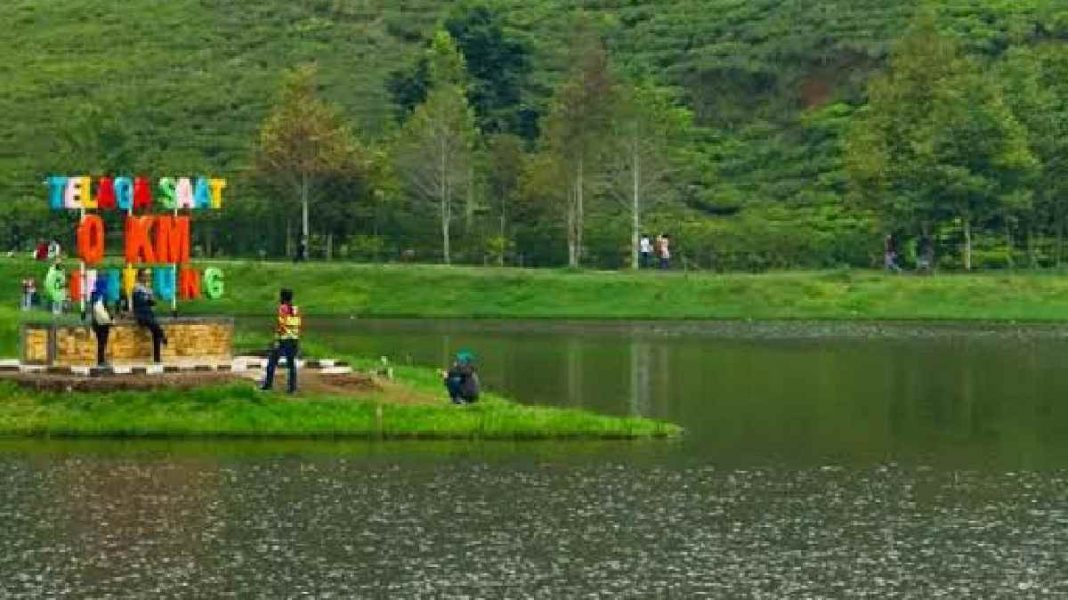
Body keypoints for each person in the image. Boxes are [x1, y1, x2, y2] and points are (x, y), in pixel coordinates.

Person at [261, 288, 302, 393]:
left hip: (284, 339)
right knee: (291, 364)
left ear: (282, 297)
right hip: (294, 339)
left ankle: (267, 386)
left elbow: (281, 325)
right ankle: (292, 388)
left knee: (272, 362)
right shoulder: (296, 309)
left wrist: (276, 339)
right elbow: (299, 324)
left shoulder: (283, 308)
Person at [132, 269, 168, 363]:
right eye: (145, 275)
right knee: (156, 328)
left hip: (149, 313)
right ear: (140, 277)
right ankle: (163, 336)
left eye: (148, 275)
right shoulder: (137, 288)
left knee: (156, 332)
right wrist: (149, 300)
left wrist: (150, 300)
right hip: (141, 314)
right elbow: (140, 302)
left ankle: (157, 358)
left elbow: (152, 302)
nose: (147, 277)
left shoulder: (148, 289)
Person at [89, 277, 112, 367]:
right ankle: (101, 361)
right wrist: (111, 317)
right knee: (103, 342)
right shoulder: (104, 295)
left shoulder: (93, 295)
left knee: (100, 342)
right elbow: (107, 308)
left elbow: (93, 310)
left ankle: (101, 360)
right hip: (103, 322)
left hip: (96, 322)